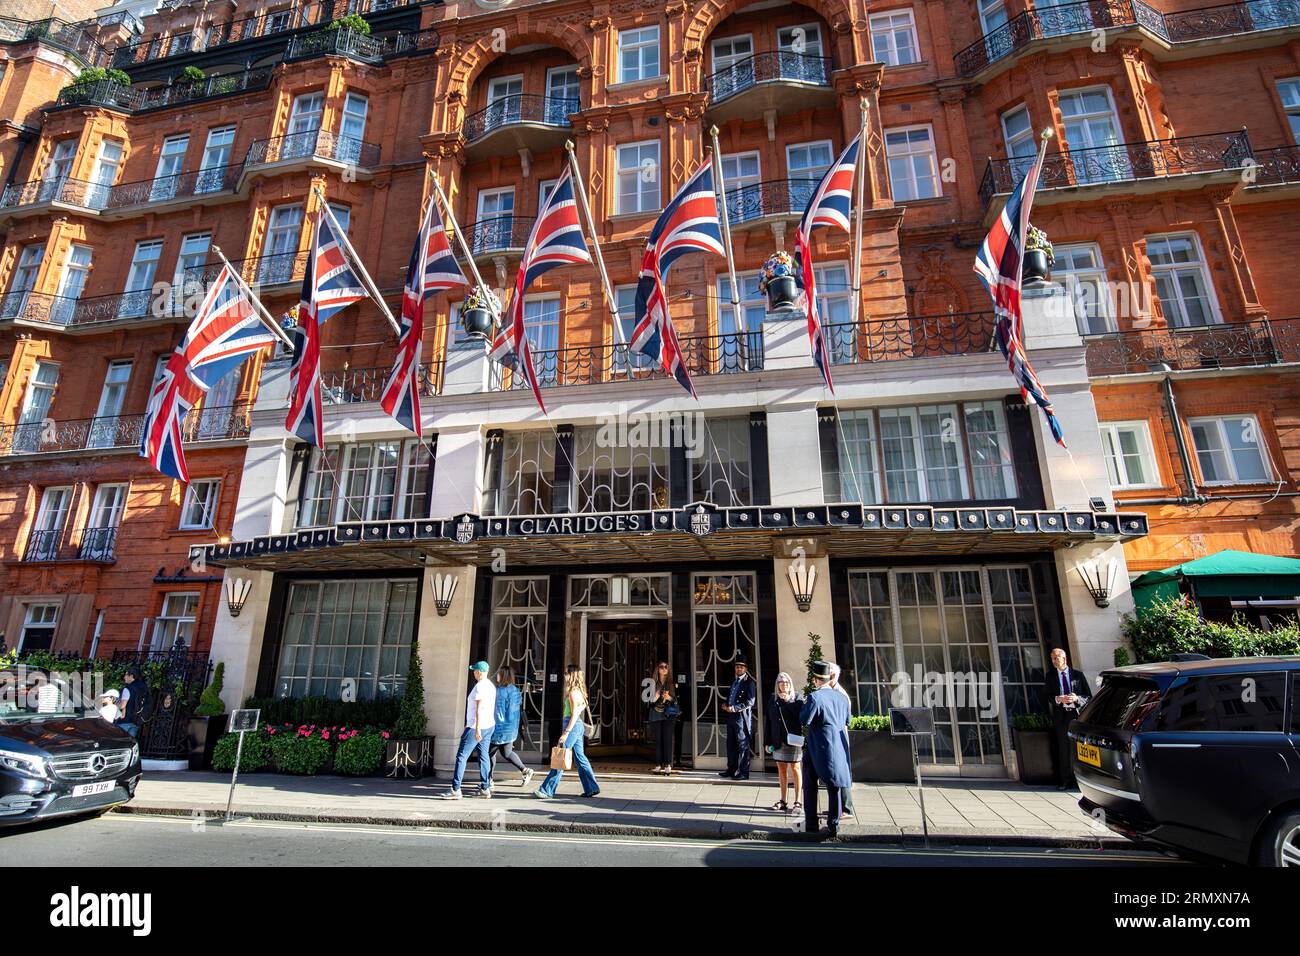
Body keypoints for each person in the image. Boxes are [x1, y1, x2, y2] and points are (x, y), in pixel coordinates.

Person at [801, 660, 852, 838]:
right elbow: (848, 721)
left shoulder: (814, 697)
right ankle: (833, 824)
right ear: (829, 679)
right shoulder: (843, 698)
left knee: (809, 785)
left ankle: (812, 823)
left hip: (817, 748)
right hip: (837, 748)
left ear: (815, 680)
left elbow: (805, 719)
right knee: (834, 787)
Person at [535, 664, 601, 799]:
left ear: (572, 675)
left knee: (561, 755)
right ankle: (592, 788)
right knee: (580, 758)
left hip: (572, 726)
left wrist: (566, 733)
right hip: (576, 726)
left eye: (566, 673)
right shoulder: (579, 691)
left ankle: (547, 790)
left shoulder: (572, 692)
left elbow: (575, 714)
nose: (564, 675)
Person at [441, 661, 497, 800]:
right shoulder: (491, 686)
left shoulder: (480, 687)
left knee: (461, 756)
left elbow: (479, 709)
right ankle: (485, 788)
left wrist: (475, 728)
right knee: (484, 756)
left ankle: (455, 789)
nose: (473, 673)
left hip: (475, 727)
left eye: (475, 670)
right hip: (489, 726)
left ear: (479, 672)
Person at [1042, 647, 1091, 789]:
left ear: (1064, 658)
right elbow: (1047, 696)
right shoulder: (1050, 676)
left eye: (1057, 657)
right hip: (1061, 715)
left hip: (1076, 715)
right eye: (1052, 658)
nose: (1054, 661)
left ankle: (1081, 779)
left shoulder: (1077, 675)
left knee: (1079, 747)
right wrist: (1058, 699)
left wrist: (1077, 698)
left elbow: (1088, 696)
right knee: (1064, 748)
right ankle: (1065, 779)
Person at [765, 672, 804, 813]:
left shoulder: (797, 698)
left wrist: (787, 701)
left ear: (790, 684)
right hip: (777, 740)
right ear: (777, 685)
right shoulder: (772, 699)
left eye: (786, 682)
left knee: (795, 769)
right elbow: (768, 721)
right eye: (781, 682)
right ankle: (783, 800)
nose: (784, 684)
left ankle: (798, 801)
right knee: (781, 769)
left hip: (793, 740)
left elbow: (799, 717)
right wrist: (767, 742)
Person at [489, 665, 534, 788]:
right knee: (507, 753)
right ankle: (525, 770)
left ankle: (489, 780)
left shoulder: (499, 692)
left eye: (499, 673)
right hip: (511, 729)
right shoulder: (515, 690)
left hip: (499, 728)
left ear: (503, 675)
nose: (497, 675)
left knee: (489, 754)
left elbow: (498, 712)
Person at [719, 657, 756, 780]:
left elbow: (750, 701)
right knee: (731, 744)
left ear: (745, 669)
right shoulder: (734, 682)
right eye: (737, 667)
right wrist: (725, 704)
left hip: (741, 717)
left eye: (741, 667)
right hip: (731, 716)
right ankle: (731, 769)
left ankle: (744, 772)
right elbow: (730, 697)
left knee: (742, 745)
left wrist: (735, 708)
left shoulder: (749, 682)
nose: (739, 669)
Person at [828, 662, 854, 817]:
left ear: (834, 676)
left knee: (842, 771)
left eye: (829, 675)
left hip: (839, 736)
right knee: (836, 772)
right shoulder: (829, 691)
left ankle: (846, 808)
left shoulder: (840, 694)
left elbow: (845, 719)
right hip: (833, 737)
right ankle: (838, 806)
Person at [647, 661, 679, 774]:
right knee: (658, 740)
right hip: (656, 714)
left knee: (668, 740)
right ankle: (658, 764)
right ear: (658, 669)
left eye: (666, 667)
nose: (664, 669)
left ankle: (668, 764)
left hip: (668, 715)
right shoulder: (653, 683)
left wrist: (669, 697)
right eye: (661, 667)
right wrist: (655, 697)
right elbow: (648, 701)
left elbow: (675, 699)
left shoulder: (671, 683)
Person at [117, 666, 150, 739]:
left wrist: (114, 704)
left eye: (126, 675)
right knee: (128, 744)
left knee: (119, 744)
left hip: (124, 721)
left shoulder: (128, 688)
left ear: (131, 676)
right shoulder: (144, 688)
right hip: (137, 721)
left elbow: (122, 706)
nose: (124, 677)